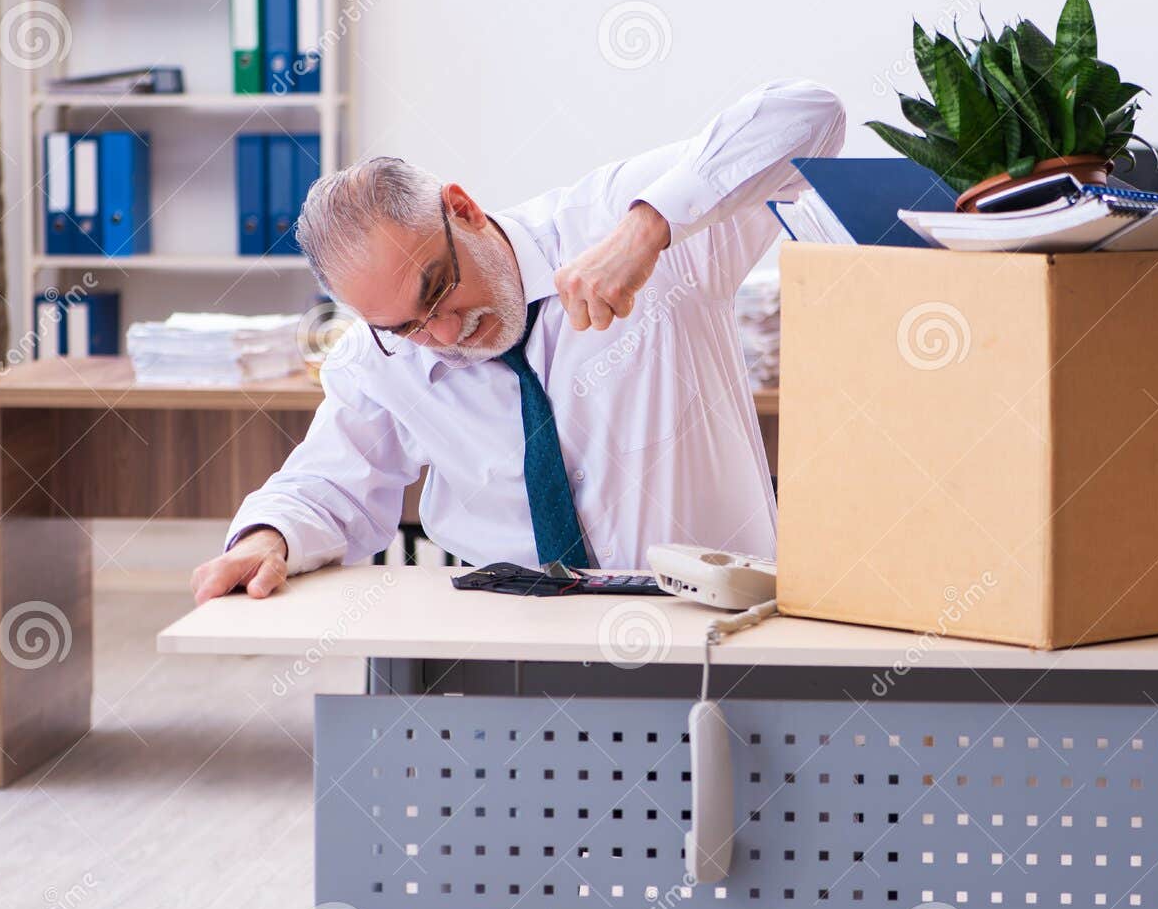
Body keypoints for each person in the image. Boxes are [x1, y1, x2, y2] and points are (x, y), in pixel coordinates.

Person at [190, 80, 844, 604]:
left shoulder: (616, 221)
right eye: (406, 329)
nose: (445, 334)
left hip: (711, 624)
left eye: (439, 289)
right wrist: (267, 538)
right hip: (517, 639)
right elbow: (325, 487)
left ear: (465, 210)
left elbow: (810, 116)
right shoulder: (377, 359)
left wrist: (647, 232)